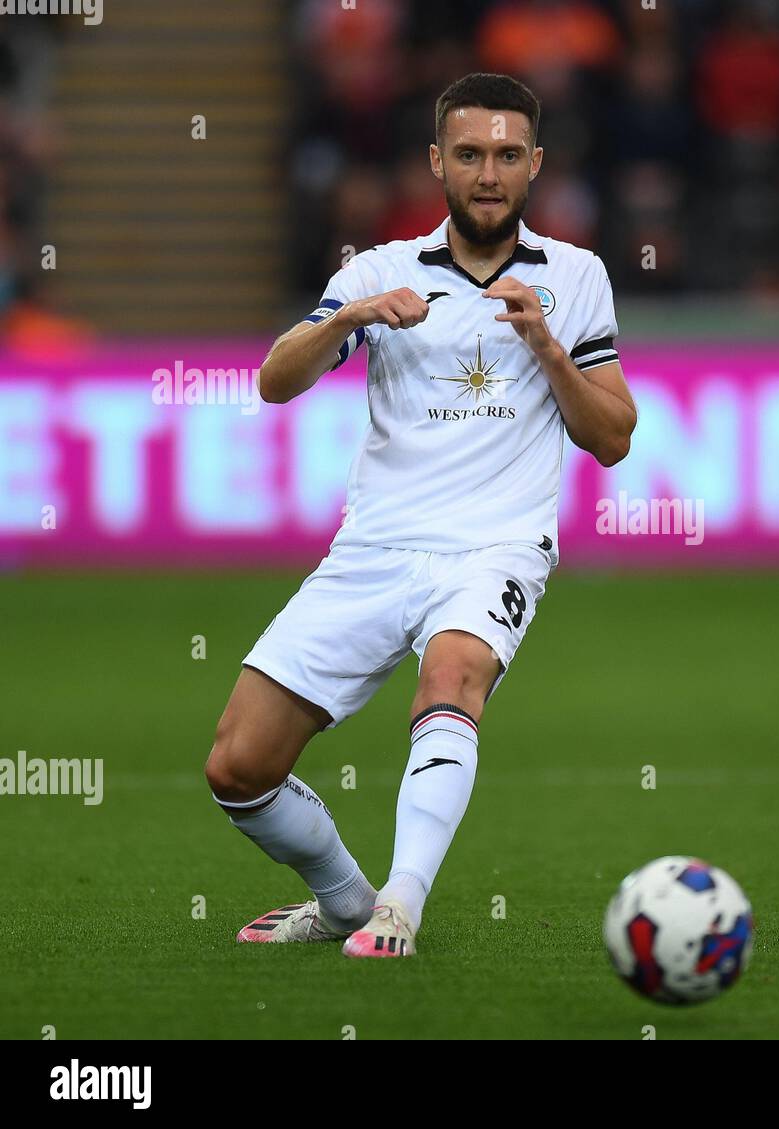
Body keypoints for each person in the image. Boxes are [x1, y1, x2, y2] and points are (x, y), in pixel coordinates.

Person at [204, 73, 636, 959]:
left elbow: (614, 437)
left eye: (508, 155)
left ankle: (401, 904)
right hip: (375, 546)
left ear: (535, 165)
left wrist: (548, 350)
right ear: (437, 161)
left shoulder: (576, 277)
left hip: (497, 547)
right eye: (470, 154)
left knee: (451, 680)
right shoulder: (381, 272)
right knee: (238, 765)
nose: (489, 173)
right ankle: (346, 898)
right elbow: (275, 380)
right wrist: (351, 316)